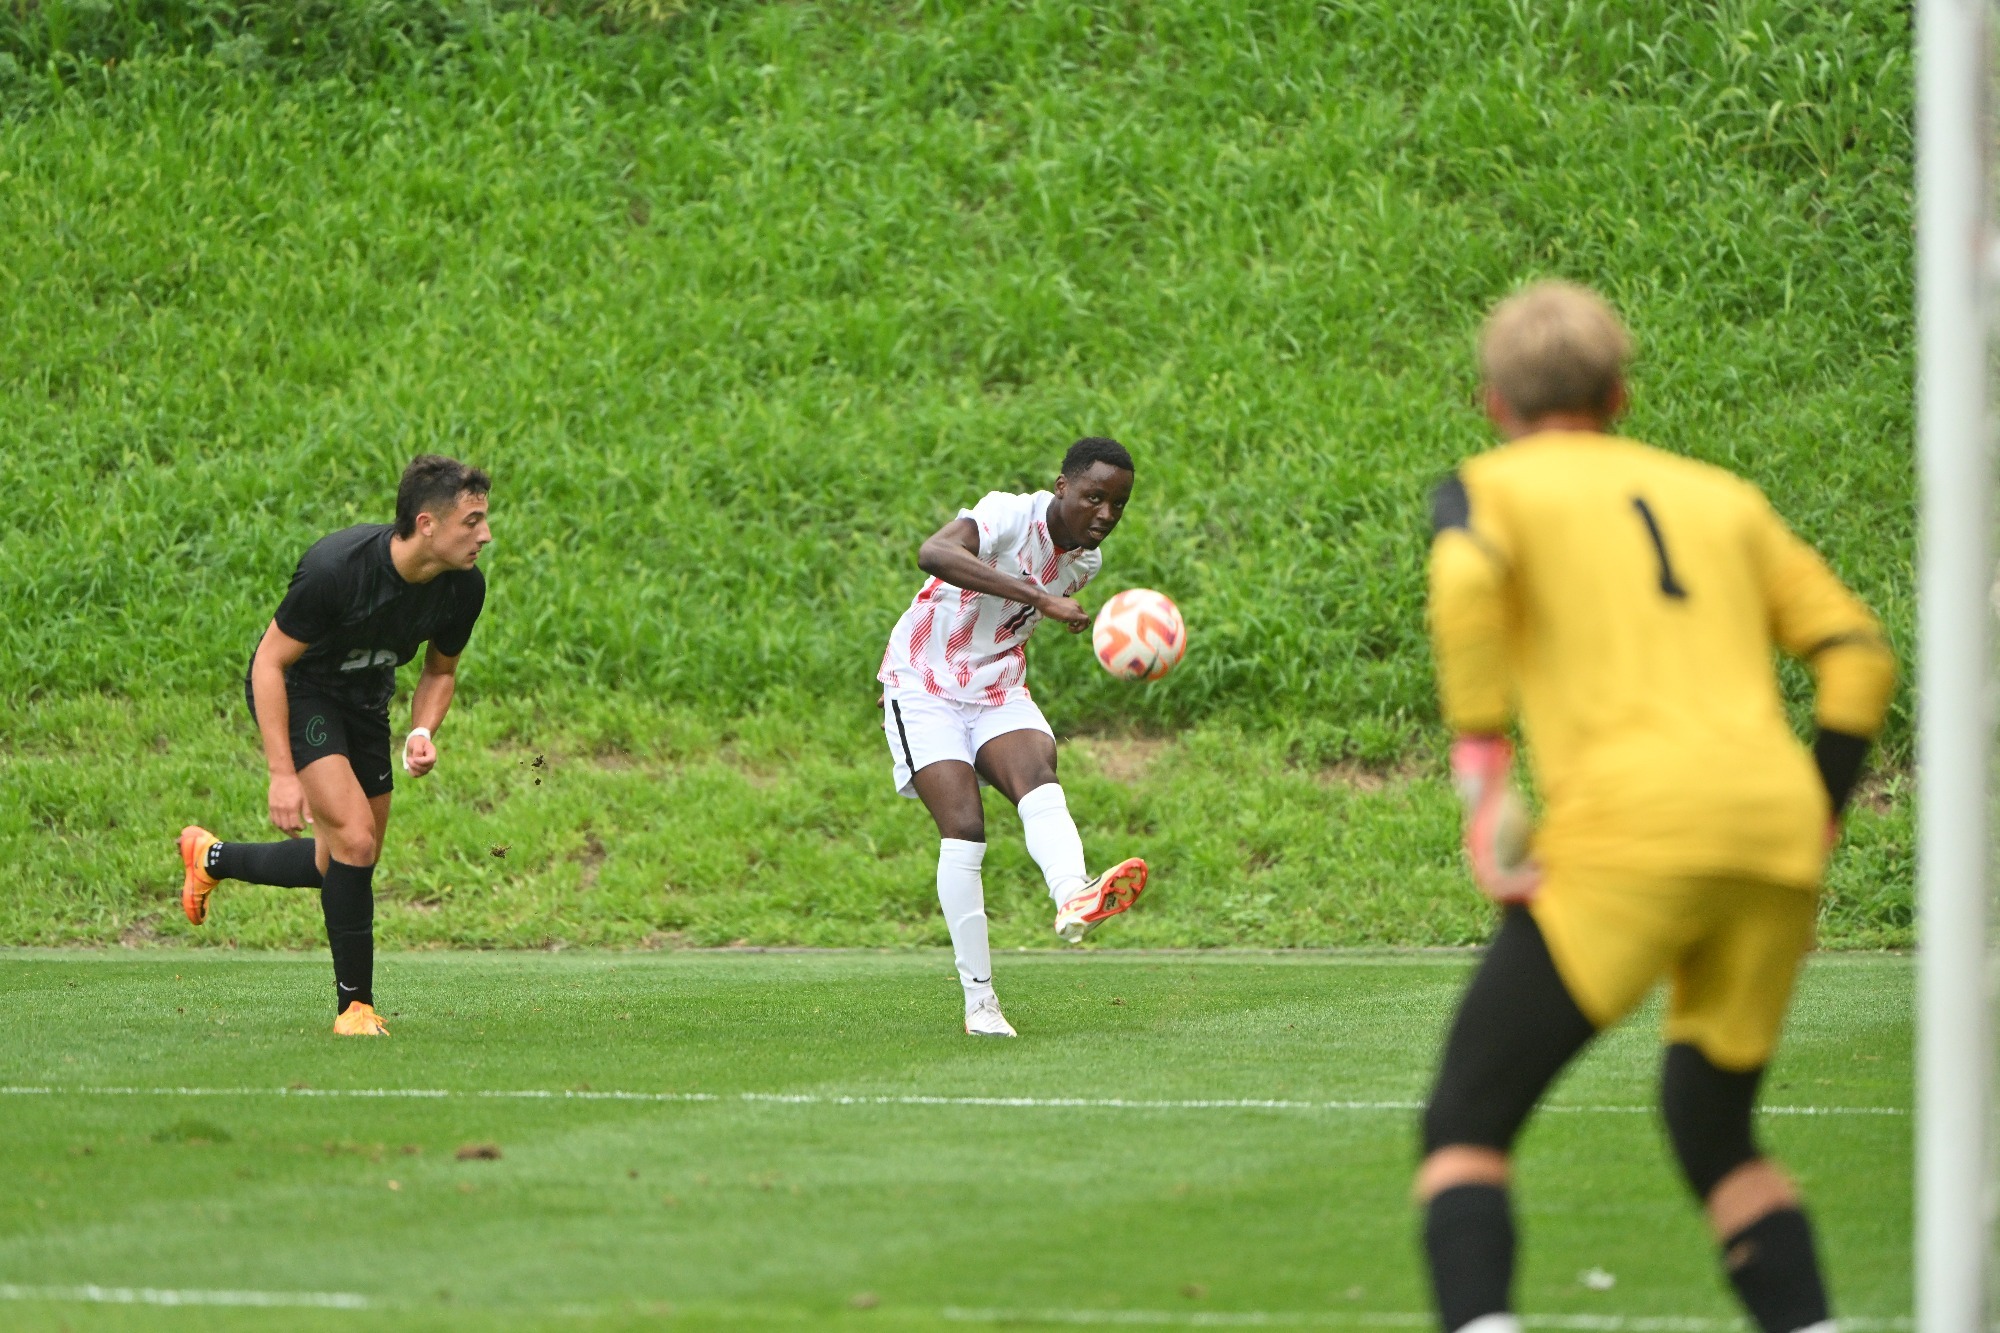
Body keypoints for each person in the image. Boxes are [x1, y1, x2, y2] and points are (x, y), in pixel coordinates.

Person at [1416, 282, 1896, 1333]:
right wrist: (1811, 814)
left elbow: (1461, 589)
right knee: (1709, 1120)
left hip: (1628, 835)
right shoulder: (1721, 498)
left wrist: (1483, 781)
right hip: (1770, 840)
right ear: (1620, 392)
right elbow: (1856, 655)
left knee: (1463, 1122)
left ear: (1491, 401)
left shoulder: (1485, 489)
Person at [175, 455, 492, 1037]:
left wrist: (422, 732)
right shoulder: (336, 569)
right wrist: (281, 773)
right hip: (302, 691)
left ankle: (209, 857)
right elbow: (268, 663)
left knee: (343, 861)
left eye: (484, 520)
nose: (485, 535)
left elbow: (440, 673)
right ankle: (355, 1008)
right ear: (427, 524)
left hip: (366, 702)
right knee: (353, 838)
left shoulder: (463, 589)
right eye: (471, 522)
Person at [879, 437, 1150, 1037]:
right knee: (965, 828)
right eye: (1094, 497)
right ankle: (980, 1003)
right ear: (1063, 488)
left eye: (1118, 505)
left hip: (997, 687)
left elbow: (1001, 625)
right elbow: (934, 553)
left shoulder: (1084, 562)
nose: (1105, 514)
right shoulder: (1007, 513)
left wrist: (1049, 605)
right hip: (922, 683)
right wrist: (1039, 598)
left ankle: (1073, 895)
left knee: (1036, 772)